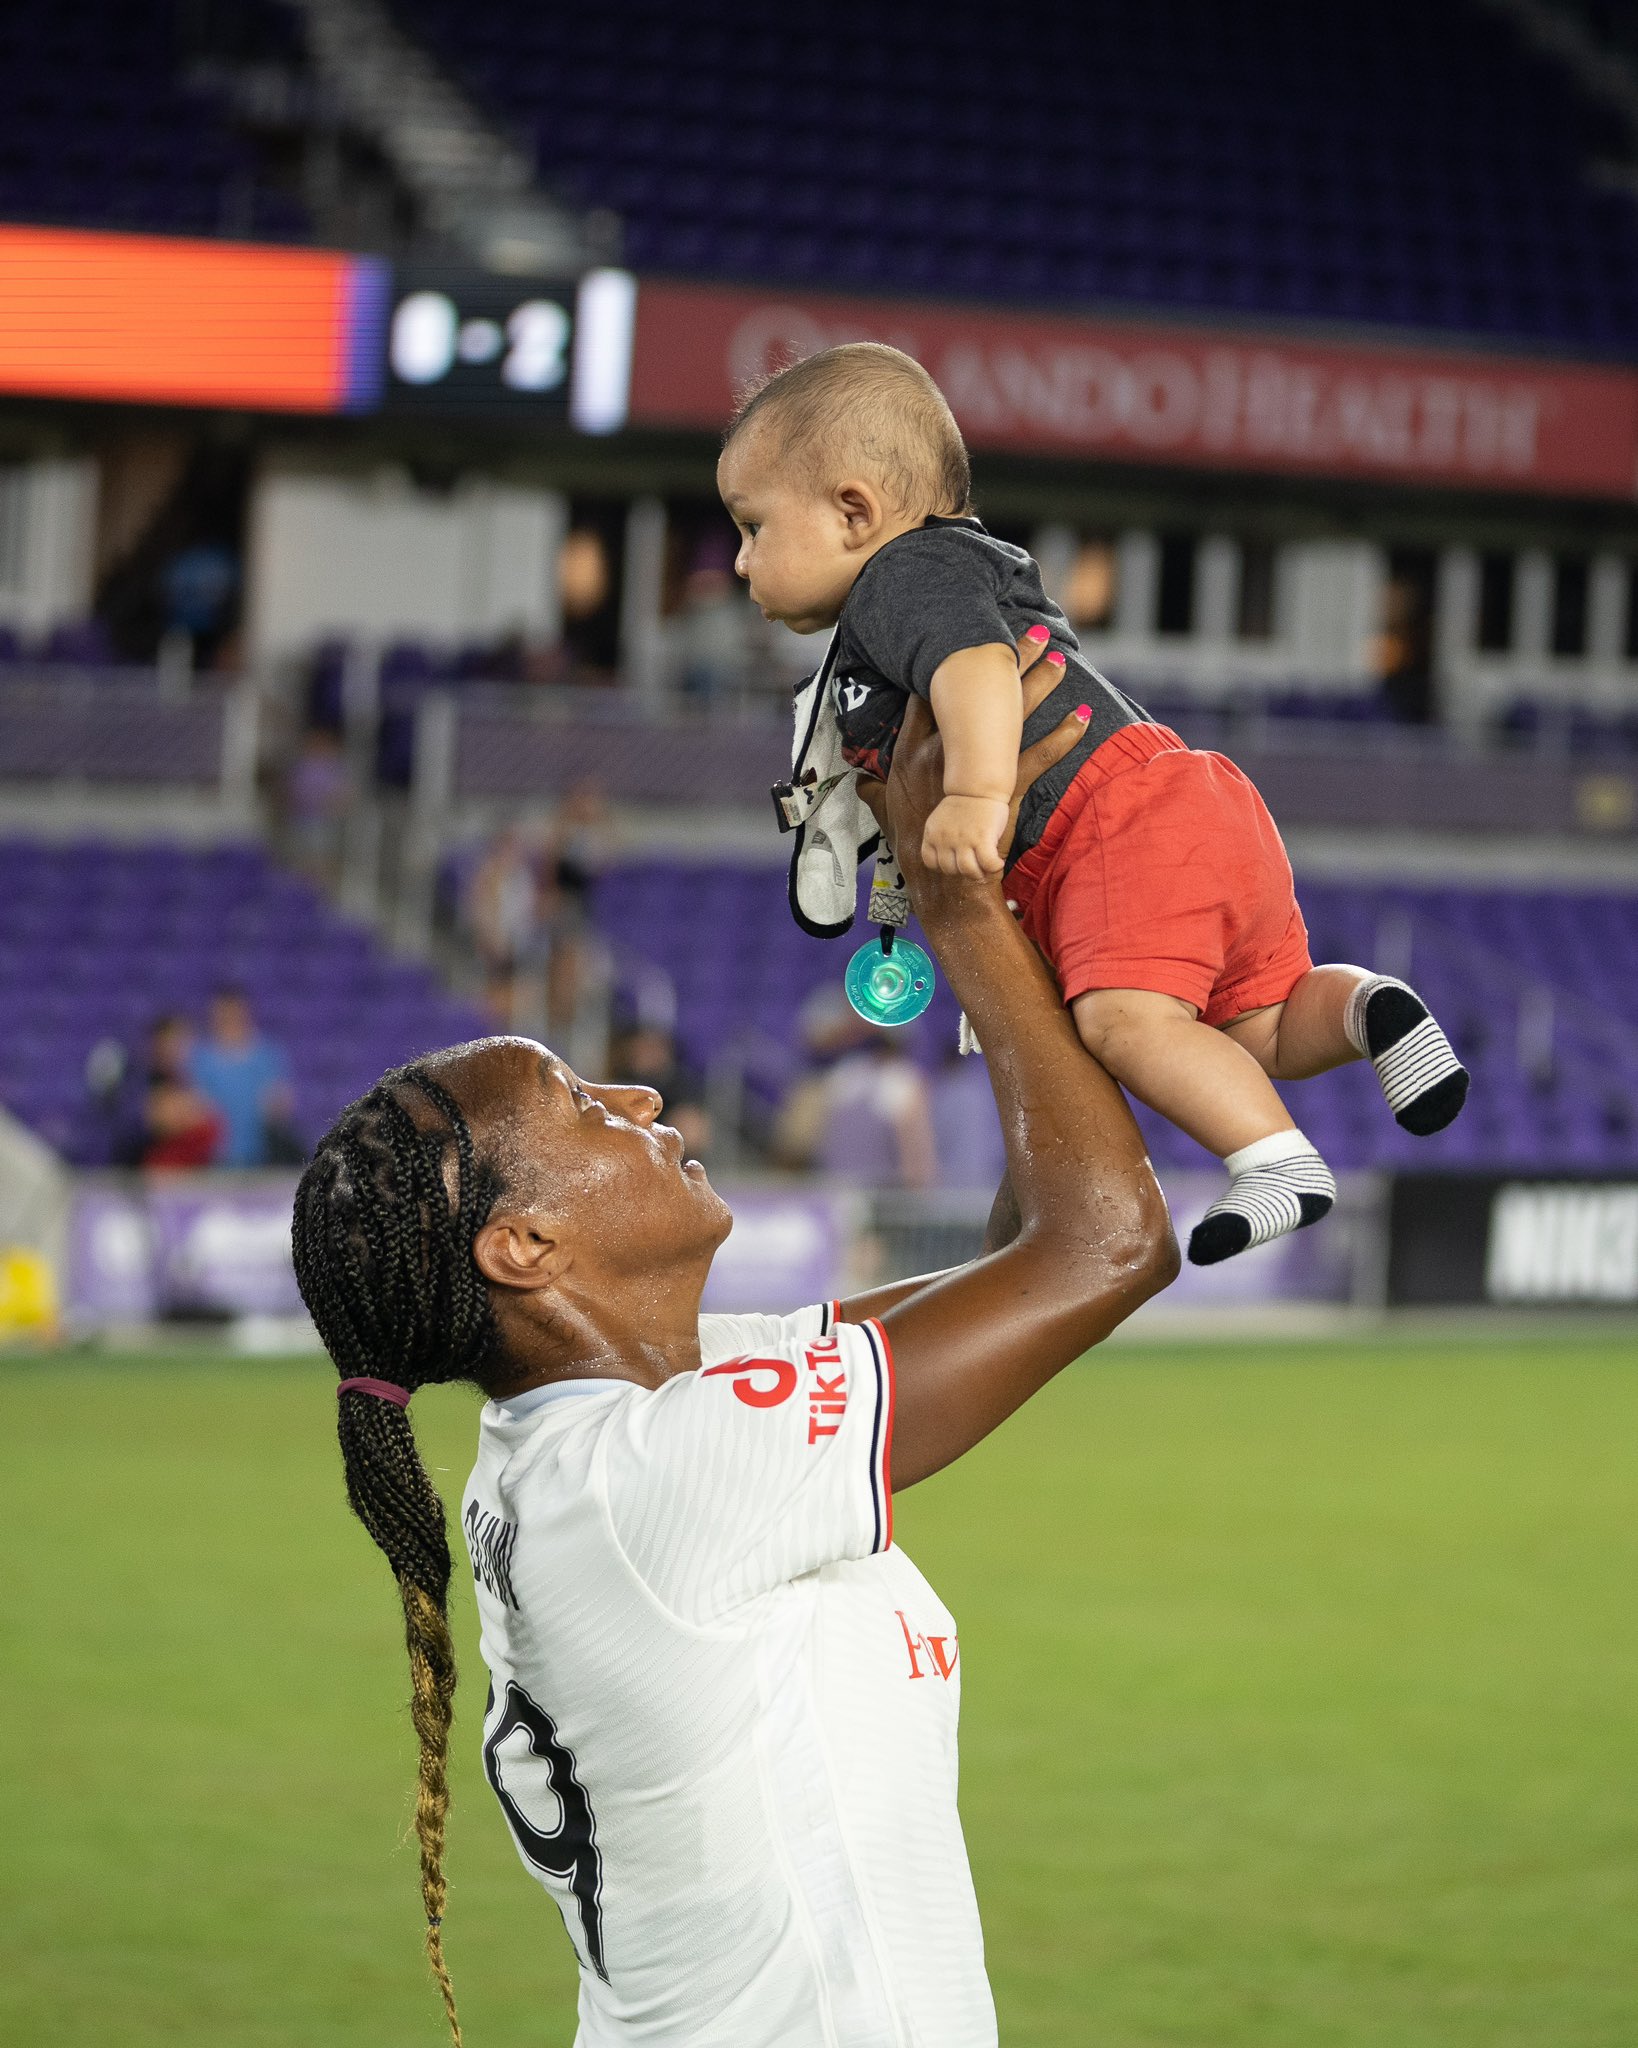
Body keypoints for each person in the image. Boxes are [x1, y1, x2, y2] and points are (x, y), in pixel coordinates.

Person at [288, 653, 1176, 2048]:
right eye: (583, 1105)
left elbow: (1034, 1250)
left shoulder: (649, 1412)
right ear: (521, 1252)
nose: (640, 1094)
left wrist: (994, 907)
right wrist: (952, 894)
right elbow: (1109, 1243)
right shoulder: (665, 1473)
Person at [718, 342, 1470, 1265]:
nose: (742, 563)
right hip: (1191, 807)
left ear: (853, 512)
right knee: (1256, 1026)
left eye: (753, 528)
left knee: (1123, 1024)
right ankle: (1370, 1012)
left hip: (1122, 826)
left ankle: (1276, 1163)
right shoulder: (954, 568)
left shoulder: (900, 579)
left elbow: (980, 670)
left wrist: (976, 795)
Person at [187, 986, 295, 1168]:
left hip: (260, 1158)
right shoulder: (199, 1058)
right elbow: (194, 1107)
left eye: (234, 1011)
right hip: (212, 1159)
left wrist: (277, 1106)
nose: (230, 1018)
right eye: (224, 1012)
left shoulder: (267, 1054)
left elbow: (280, 1103)